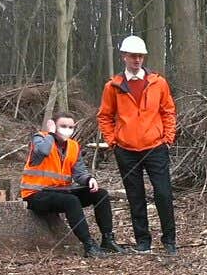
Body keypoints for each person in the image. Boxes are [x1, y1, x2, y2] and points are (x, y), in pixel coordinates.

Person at [98, 35, 178, 256]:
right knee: (135, 196)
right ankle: (143, 241)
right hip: (126, 150)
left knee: (163, 193)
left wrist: (168, 138)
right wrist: (113, 141)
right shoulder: (113, 87)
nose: (137, 60)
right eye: (133, 56)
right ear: (124, 57)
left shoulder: (158, 82)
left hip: (155, 147)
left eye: (141, 56)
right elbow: (105, 116)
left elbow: (168, 111)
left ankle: (169, 240)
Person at [21, 113, 120, 258]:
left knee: (100, 194)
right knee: (71, 201)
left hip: (61, 192)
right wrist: (50, 133)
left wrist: (88, 179)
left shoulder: (73, 146)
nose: (67, 130)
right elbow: (43, 151)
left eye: (70, 127)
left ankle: (108, 240)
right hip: (35, 194)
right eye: (63, 126)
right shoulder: (40, 138)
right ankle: (89, 245)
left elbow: (79, 172)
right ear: (53, 126)